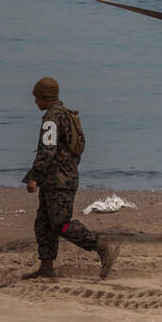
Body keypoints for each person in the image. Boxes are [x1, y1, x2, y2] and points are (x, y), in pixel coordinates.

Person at [21, 77, 120, 280]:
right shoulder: (67, 115)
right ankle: (46, 267)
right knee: (44, 224)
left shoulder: (52, 119)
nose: (35, 102)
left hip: (59, 181)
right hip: (60, 179)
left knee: (61, 224)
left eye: (36, 97)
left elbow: (47, 151)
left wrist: (33, 177)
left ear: (44, 96)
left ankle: (101, 247)